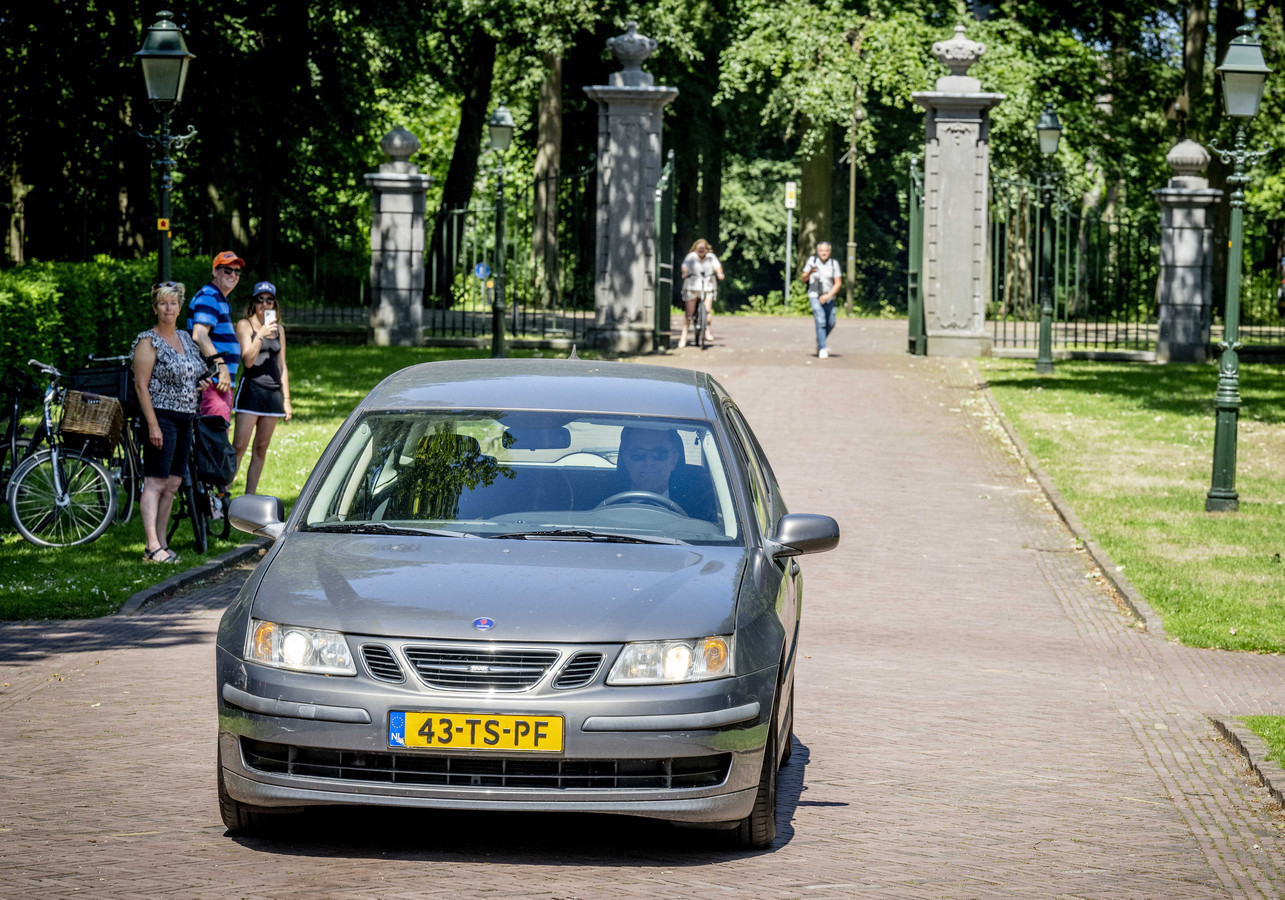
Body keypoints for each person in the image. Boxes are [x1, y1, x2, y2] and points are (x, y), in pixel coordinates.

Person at [132, 282, 211, 564]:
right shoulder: (147, 341)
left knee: (174, 482)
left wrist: (202, 381)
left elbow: (196, 371)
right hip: (161, 416)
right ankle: (151, 546)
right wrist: (152, 425)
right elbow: (141, 386)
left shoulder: (184, 338)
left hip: (185, 417)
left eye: (174, 303)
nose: (169, 308)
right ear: (155, 308)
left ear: (179, 308)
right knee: (155, 481)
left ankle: (162, 541)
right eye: (163, 304)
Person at [232, 281, 292, 495]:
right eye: (260, 300)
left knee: (260, 448)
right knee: (239, 446)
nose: (265, 304)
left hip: (272, 395)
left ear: (274, 304)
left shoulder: (279, 330)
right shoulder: (244, 325)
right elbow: (247, 361)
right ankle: (223, 493)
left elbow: (281, 364)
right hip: (251, 392)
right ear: (253, 302)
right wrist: (261, 334)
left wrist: (286, 400)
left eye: (269, 300)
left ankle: (249, 496)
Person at [187, 250, 244, 423]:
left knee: (216, 439)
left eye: (237, 271)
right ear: (214, 272)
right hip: (213, 383)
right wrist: (222, 367)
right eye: (227, 270)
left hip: (218, 383)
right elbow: (199, 334)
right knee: (212, 440)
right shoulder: (209, 297)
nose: (233, 275)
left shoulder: (218, 298)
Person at [614, 426, 716, 521]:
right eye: (638, 454)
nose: (649, 462)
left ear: (674, 460)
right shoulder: (601, 498)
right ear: (625, 459)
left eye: (659, 453)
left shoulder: (700, 505)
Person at [800, 242, 843, 358]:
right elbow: (803, 278)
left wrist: (828, 295)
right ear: (818, 251)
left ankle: (820, 339)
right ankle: (822, 348)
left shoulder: (834, 264)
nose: (823, 253)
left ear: (829, 252)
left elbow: (838, 283)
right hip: (814, 295)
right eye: (821, 251)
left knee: (831, 322)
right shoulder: (812, 261)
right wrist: (810, 272)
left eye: (826, 251)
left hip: (829, 296)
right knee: (820, 321)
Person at [679, 239, 724, 347]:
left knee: (708, 310)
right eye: (699, 249)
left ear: (706, 249)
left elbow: (718, 267)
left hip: (707, 286)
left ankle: (707, 329)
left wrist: (720, 274)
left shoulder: (711, 257)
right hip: (692, 286)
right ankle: (683, 336)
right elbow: (684, 266)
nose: (701, 251)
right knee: (689, 313)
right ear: (695, 249)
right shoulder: (691, 257)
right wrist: (685, 272)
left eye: (703, 249)